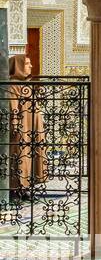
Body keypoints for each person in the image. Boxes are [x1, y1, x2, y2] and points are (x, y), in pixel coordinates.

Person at [6, 55, 46, 201]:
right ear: (18, 66)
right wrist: (15, 124)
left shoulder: (25, 84)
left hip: (31, 128)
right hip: (22, 129)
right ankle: (14, 190)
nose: (31, 66)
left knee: (29, 156)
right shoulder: (13, 84)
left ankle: (25, 188)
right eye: (27, 64)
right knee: (20, 156)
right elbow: (13, 107)